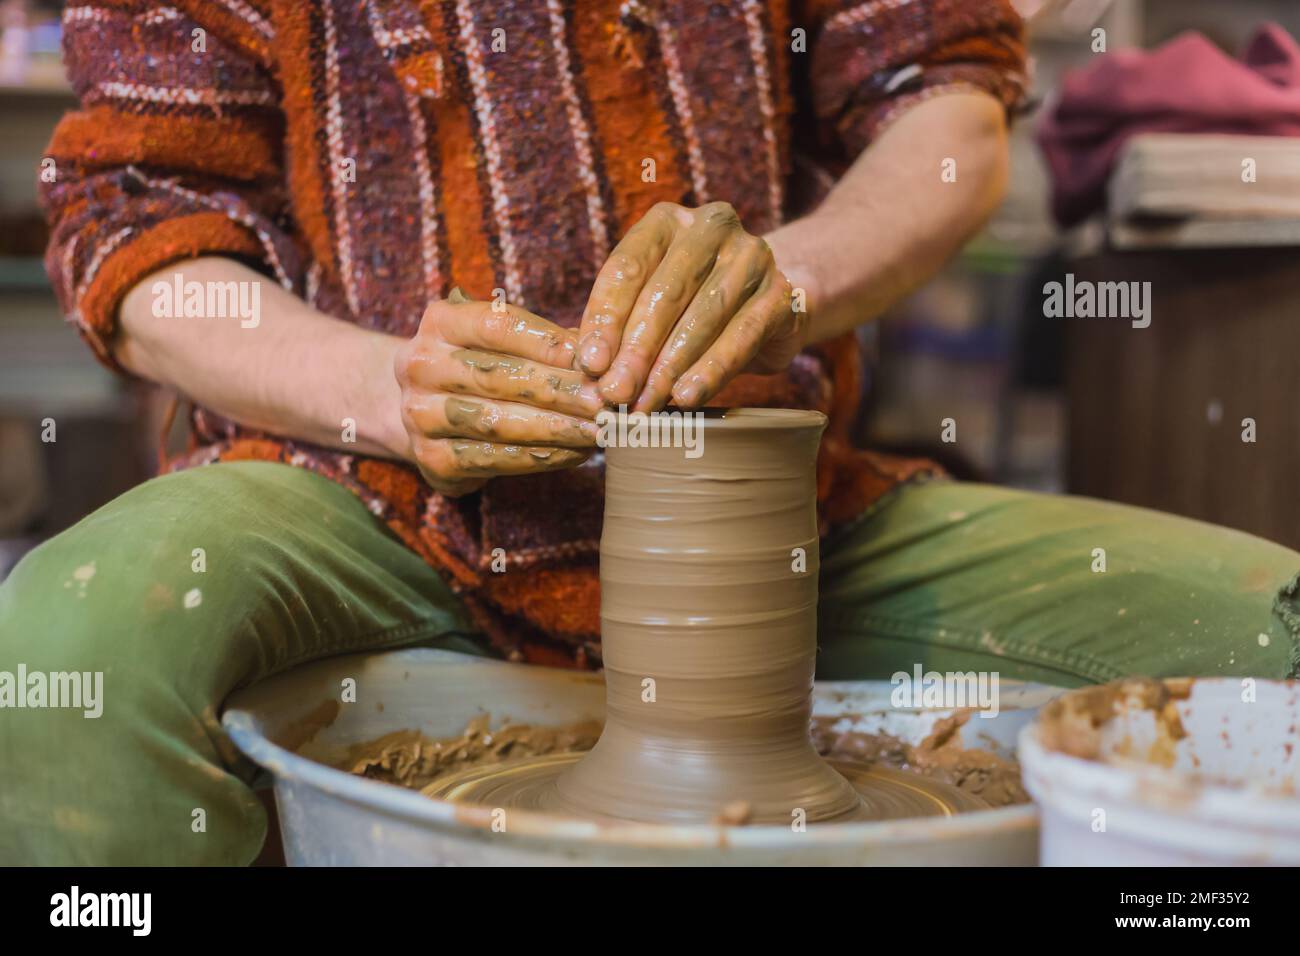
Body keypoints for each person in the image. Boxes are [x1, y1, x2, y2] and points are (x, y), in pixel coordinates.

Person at [1, 0, 1295, 865]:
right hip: (362, 494)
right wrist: (383, 390)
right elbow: (137, 221)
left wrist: (791, 278)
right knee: (70, 647)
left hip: (787, 518)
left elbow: (946, 114)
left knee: (1267, 633)